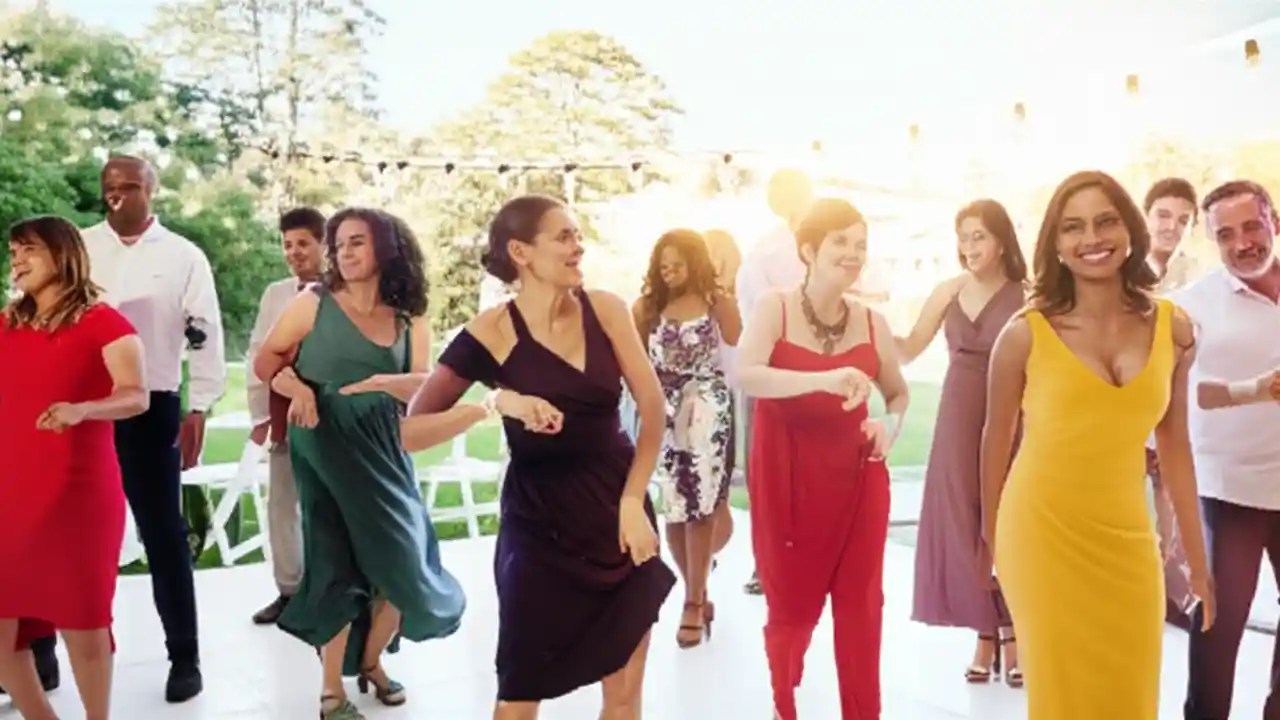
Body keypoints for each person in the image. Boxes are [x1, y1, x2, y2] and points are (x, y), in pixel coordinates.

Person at [407, 195, 675, 719]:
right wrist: (493, 404)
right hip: (538, 525)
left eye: (578, 235)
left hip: (617, 512)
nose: (579, 247)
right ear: (521, 252)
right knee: (519, 690)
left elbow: (653, 407)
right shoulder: (489, 333)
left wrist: (633, 498)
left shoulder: (606, 309)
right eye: (564, 236)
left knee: (623, 695)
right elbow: (409, 433)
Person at [980, 170, 1215, 719]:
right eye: (1073, 227)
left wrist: (1198, 564)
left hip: (1128, 542)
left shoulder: (1173, 328)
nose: (1092, 238)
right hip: (1041, 536)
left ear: (1130, 229)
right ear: (1055, 244)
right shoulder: (1024, 333)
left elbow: (1175, 443)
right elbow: (996, 440)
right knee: (1063, 700)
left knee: (1131, 698)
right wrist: (993, 543)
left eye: (1106, 221)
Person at [254, 208, 466, 719]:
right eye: (339, 245)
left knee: (402, 560)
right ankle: (332, 689)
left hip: (384, 447)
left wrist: (380, 385)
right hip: (323, 442)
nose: (344, 254)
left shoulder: (409, 316)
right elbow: (267, 361)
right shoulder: (313, 303)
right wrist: (295, 386)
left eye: (356, 243)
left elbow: (424, 383)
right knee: (335, 560)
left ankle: (370, 662)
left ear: (386, 250)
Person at [737, 198, 909, 720]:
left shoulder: (874, 322)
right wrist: (823, 380)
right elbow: (747, 374)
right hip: (788, 474)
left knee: (861, 611)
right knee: (791, 606)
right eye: (841, 242)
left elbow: (898, 396)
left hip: (858, 477)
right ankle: (784, 706)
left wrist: (888, 428)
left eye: (861, 244)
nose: (853, 254)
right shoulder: (776, 307)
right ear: (809, 249)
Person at [81, 154, 225, 702]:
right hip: (85, 405)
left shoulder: (184, 255)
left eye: (130, 186)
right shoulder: (80, 247)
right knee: (66, 531)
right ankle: (44, 655)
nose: (118, 195)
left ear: (152, 191)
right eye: (109, 187)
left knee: (163, 533)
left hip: (152, 406)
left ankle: (184, 656)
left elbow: (206, 334)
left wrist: (200, 407)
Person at [0, 215, 149, 720]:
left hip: (76, 495)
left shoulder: (103, 323)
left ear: (63, 254)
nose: (17, 260)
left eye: (28, 250)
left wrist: (84, 409)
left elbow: (136, 396)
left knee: (83, 625)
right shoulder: (7, 324)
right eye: (13, 251)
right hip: (9, 493)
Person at [899, 199, 1027, 685]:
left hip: (1008, 415)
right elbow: (908, 349)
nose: (969, 247)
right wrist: (856, 323)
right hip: (957, 418)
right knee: (965, 525)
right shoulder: (948, 291)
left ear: (1001, 241)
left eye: (979, 236)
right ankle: (985, 633)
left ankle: (1014, 631)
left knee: (1007, 522)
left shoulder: (1027, 294)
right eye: (963, 237)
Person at [1170, 180, 1280, 720]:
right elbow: (1183, 394)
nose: (1243, 244)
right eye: (1226, 234)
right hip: (1230, 489)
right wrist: (1254, 390)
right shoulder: (1192, 306)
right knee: (1219, 617)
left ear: (1274, 223)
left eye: (1253, 226)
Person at [632, 229, 741, 649]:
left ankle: (693, 601)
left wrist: (723, 292)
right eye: (664, 265)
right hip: (662, 408)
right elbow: (631, 356)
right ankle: (696, 589)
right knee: (674, 509)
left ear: (695, 262)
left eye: (678, 263)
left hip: (708, 408)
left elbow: (736, 337)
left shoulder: (716, 303)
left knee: (703, 505)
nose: (670, 271)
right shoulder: (646, 307)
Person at [245, 207, 327, 626]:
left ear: (323, 244)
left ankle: (337, 592)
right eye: (288, 246)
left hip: (333, 412)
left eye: (303, 244)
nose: (294, 252)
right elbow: (259, 351)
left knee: (331, 508)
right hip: (283, 409)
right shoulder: (277, 294)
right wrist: (260, 412)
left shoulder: (346, 291)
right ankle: (289, 591)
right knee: (282, 505)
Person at [735, 168, 814, 595]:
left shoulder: (831, 245)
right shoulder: (763, 251)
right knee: (765, 470)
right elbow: (753, 314)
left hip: (819, 370)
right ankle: (765, 564)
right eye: (779, 192)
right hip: (770, 369)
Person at [1140, 177, 1201, 629]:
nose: (1172, 227)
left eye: (1182, 220)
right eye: (1164, 215)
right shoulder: (1123, 266)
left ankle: (1169, 595)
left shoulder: (1190, 275)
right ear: (1146, 215)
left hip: (1168, 397)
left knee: (1169, 498)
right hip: (1124, 399)